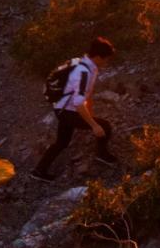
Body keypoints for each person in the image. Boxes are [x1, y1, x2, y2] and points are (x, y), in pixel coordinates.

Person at [32, 36, 119, 181]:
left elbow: (87, 94)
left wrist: (90, 115)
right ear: (98, 57)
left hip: (61, 109)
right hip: (68, 111)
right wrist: (94, 124)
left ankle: (38, 171)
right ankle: (101, 155)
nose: (106, 62)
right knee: (104, 126)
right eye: (106, 59)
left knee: (62, 142)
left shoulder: (83, 64)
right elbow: (78, 103)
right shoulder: (83, 72)